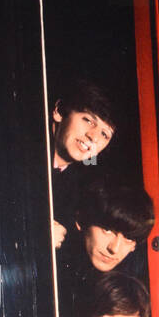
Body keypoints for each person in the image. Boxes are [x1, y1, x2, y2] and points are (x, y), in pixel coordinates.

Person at [57, 176, 154, 317]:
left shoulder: (131, 287)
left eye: (128, 238)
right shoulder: (55, 259)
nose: (114, 248)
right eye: (107, 230)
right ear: (81, 221)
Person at [49, 78, 117, 250]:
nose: (93, 137)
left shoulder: (81, 187)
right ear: (58, 111)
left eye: (104, 134)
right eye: (88, 120)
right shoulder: (19, 151)